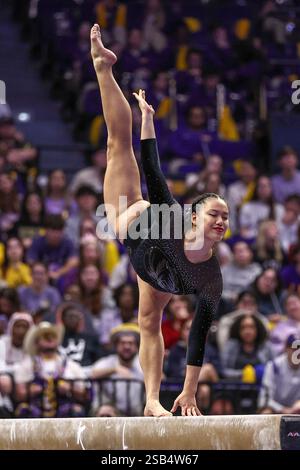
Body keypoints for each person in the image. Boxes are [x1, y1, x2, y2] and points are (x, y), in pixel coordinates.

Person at [90, 24, 229, 417]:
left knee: (149, 322)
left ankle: (152, 400)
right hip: (130, 214)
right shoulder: (171, 216)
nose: (221, 221)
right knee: (120, 139)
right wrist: (148, 120)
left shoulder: (211, 277)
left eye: (226, 217)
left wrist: (187, 393)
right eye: (214, 213)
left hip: (155, 274)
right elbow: (152, 167)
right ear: (194, 216)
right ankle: (102, 66)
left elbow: (198, 336)